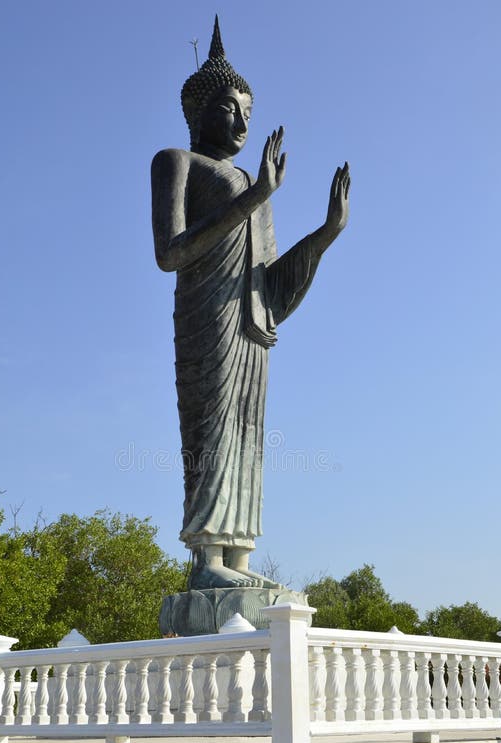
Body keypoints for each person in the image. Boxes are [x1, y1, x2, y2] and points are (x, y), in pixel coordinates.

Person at [151, 17, 350, 590]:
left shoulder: (252, 182)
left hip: (252, 327)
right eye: (227, 109)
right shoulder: (177, 162)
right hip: (206, 319)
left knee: (246, 433)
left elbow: (270, 283)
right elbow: (170, 253)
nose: (239, 121)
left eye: (246, 112)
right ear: (195, 113)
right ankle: (206, 562)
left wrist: (324, 233)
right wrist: (256, 195)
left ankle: (236, 557)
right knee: (211, 429)